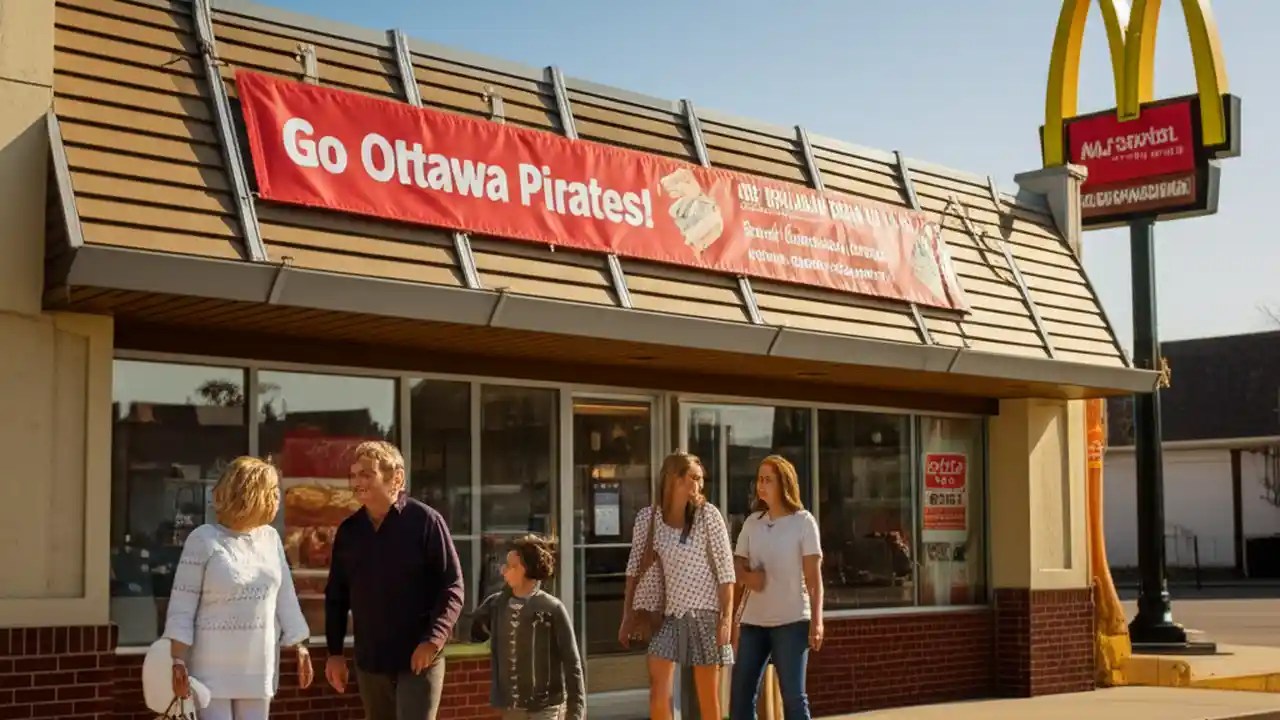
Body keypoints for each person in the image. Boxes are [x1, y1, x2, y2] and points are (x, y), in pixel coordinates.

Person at [164, 456, 313, 720]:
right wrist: (177, 661)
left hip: (258, 667)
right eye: (272, 492)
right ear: (251, 495)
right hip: (210, 671)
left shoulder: (270, 538)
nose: (278, 499)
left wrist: (300, 645)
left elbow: (285, 597)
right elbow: (182, 606)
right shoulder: (203, 539)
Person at [324, 441, 465, 720]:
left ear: (396, 478)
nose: (356, 482)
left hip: (419, 657)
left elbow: (452, 587)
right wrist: (335, 653)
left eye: (366, 474)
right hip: (371, 660)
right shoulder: (349, 532)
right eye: (353, 475)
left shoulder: (426, 522)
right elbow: (336, 597)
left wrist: (434, 640)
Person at [619, 452, 735, 720]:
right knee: (658, 690)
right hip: (668, 616)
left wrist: (726, 619)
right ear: (674, 479)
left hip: (705, 614)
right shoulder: (648, 518)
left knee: (708, 700)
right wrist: (628, 616)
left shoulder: (709, 516)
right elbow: (633, 571)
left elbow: (726, 573)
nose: (699, 485)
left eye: (701, 479)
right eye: (694, 478)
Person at [729, 455, 824, 720]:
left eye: (768, 479)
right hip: (753, 623)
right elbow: (736, 568)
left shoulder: (803, 522)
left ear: (784, 483)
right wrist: (749, 579)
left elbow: (814, 580)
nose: (761, 485)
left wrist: (817, 621)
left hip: (792, 621)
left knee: (793, 697)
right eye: (759, 479)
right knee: (740, 697)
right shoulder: (752, 523)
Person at [470, 534, 585, 720]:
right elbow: (475, 632)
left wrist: (576, 713)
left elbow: (572, 664)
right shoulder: (497, 605)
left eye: (511, 566)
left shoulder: (552, 608)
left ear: (528, 569)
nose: (503, 570)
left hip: (546, 706)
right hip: (512, 707)